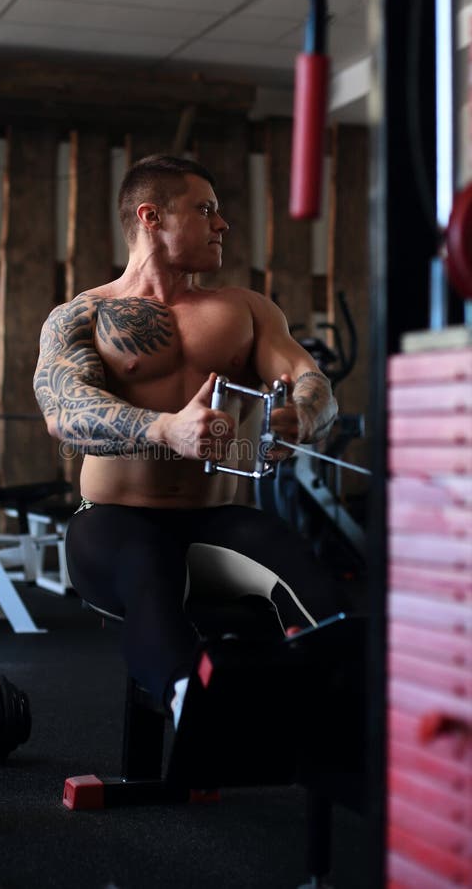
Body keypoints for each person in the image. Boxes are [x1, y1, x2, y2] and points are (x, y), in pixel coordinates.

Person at [34, 155, 340, 727]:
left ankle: (347, 714)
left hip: (217, 519)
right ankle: (196, 712)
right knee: (149, 572)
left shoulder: (244, 310)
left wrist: (304, 414)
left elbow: (312, 381)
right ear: (152, 217)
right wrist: (165, 429)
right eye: (206, 211)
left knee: (304, 571)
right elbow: (63, 411)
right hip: (113, 522)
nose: (222, 225)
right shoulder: (81, 316)